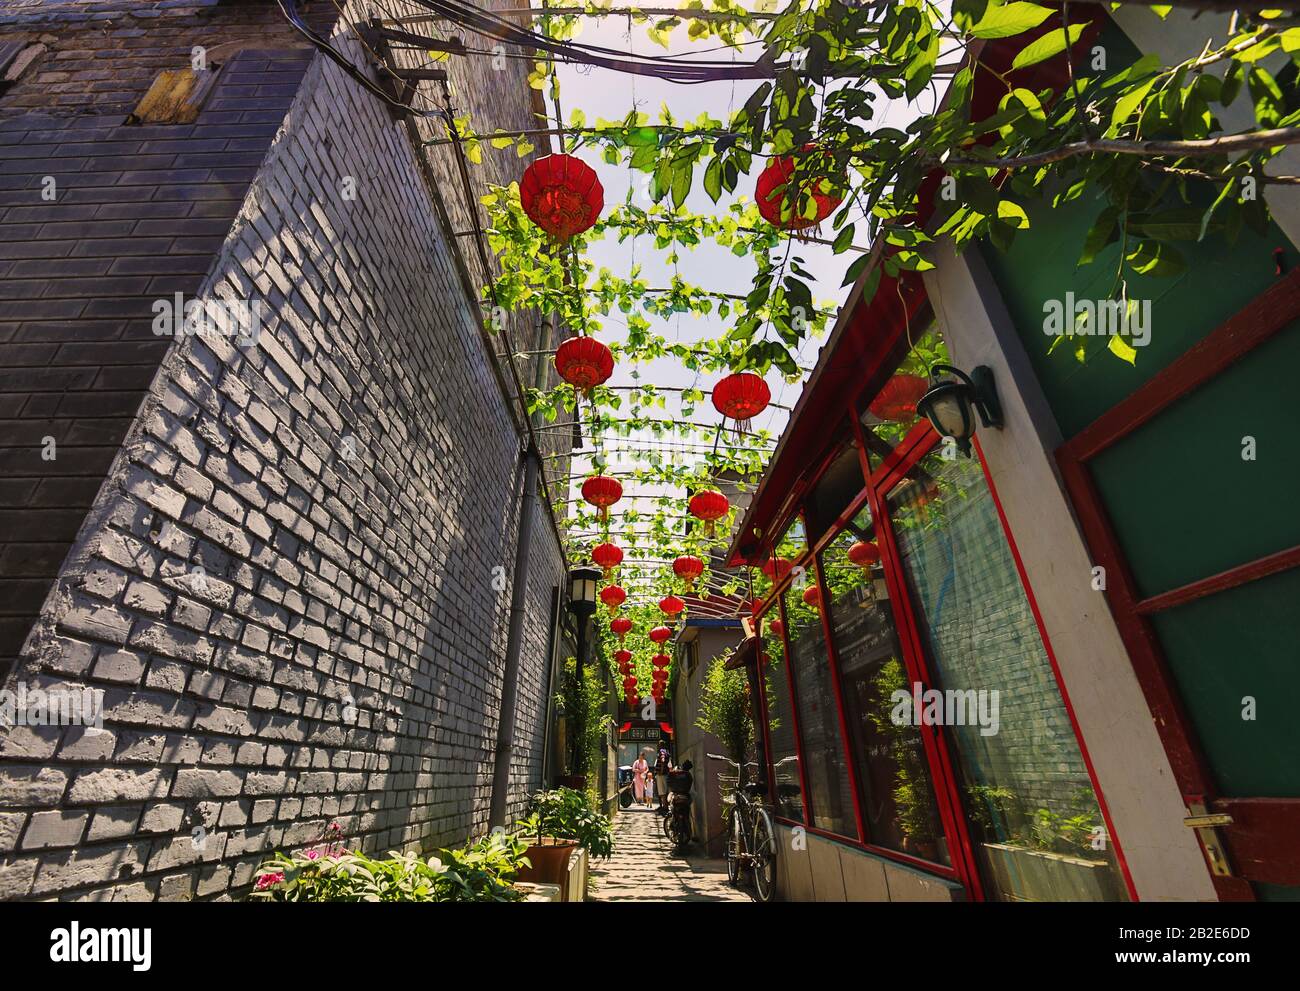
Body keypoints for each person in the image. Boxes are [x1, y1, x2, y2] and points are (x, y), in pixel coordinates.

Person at [654, 741, 671, 815]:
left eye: (659, 745)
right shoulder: (666, 751)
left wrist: (660, 771)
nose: (658, 746)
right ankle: (664, 806)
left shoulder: (662, 751)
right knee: (663, 791)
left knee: (662, 791)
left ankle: (665, 808)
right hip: (664, 774)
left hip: (662, 775)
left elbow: (663, 760)